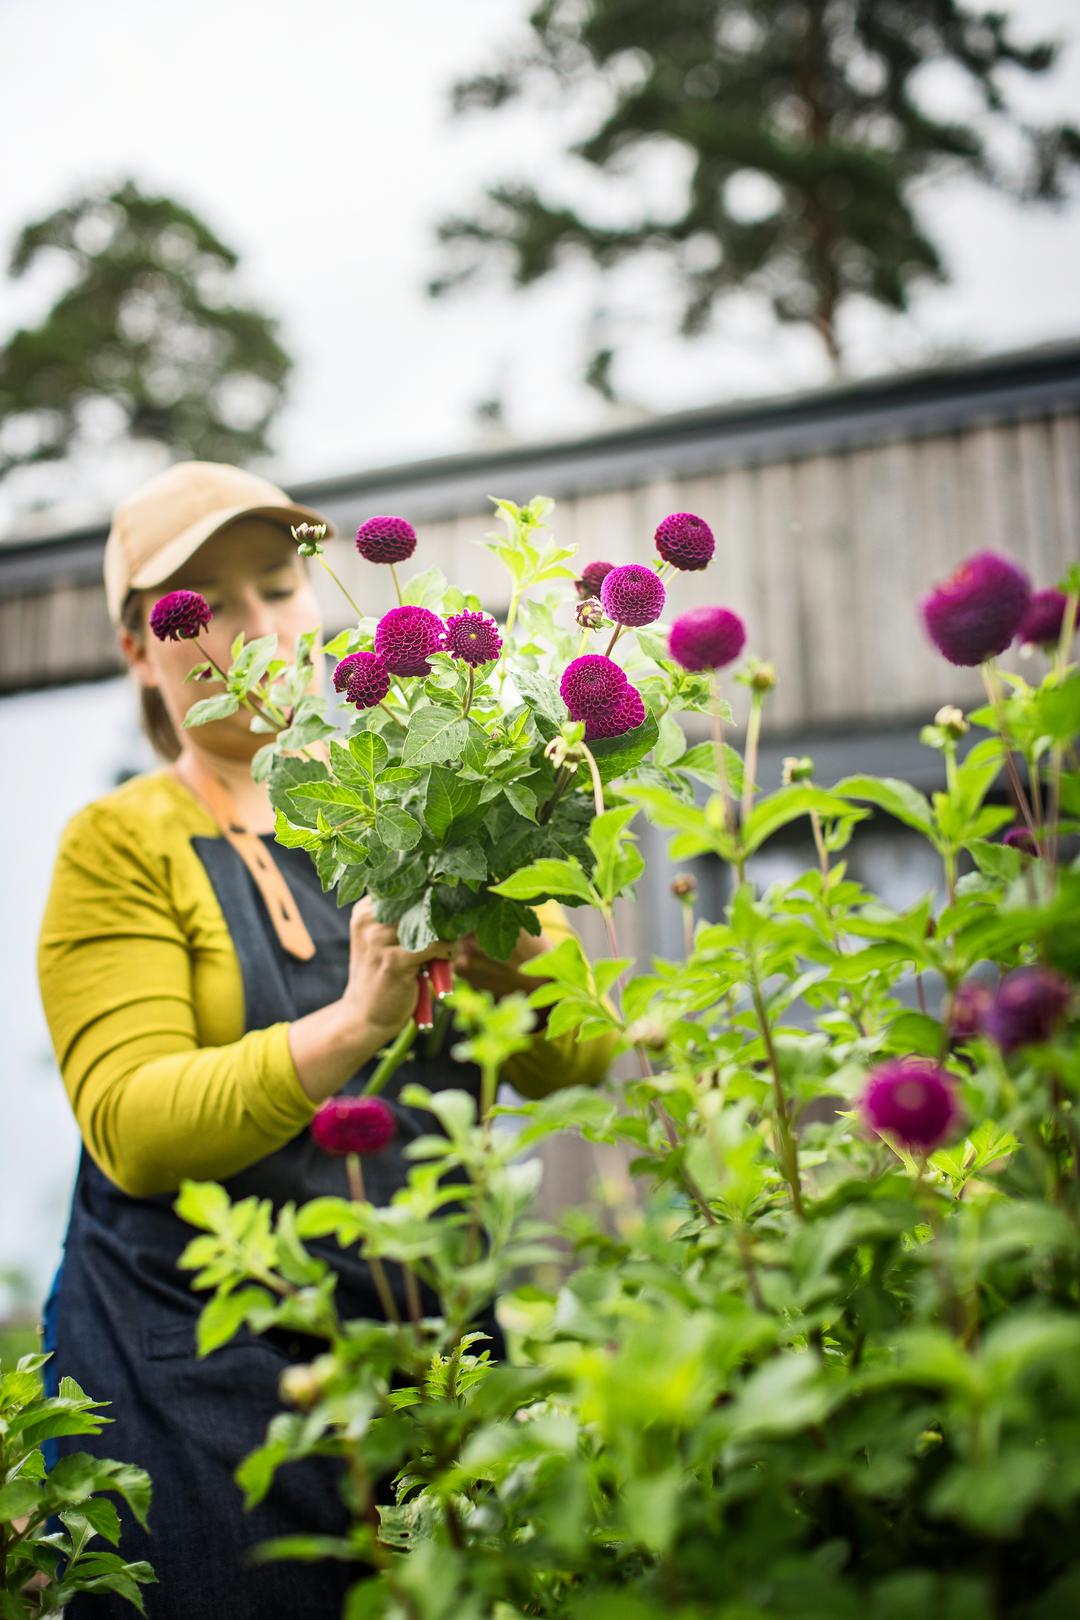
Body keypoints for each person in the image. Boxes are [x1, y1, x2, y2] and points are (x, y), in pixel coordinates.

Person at [36, 460, 613, 1620]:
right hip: (196, 1374)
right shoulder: (119, 843)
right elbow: (134, 1130)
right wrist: (352, 1026)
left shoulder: (436, 795)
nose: (256, 623)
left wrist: (492, 914)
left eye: (278, 584)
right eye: (198, 604)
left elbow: (577, 1054)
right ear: (140, 653)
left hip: (425, 1345)